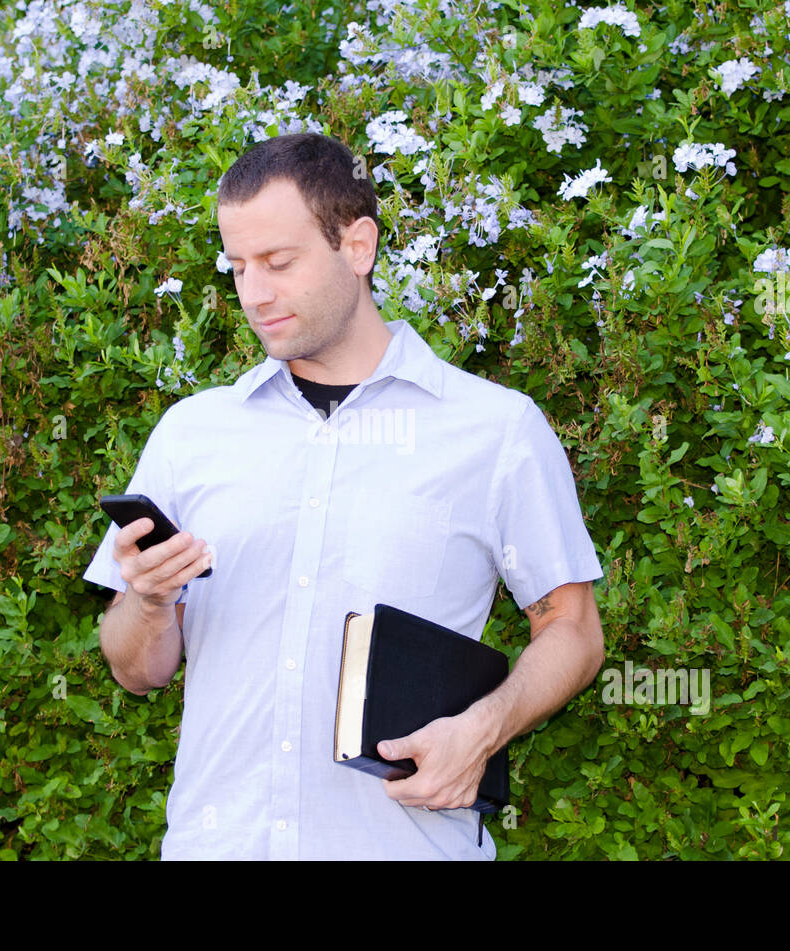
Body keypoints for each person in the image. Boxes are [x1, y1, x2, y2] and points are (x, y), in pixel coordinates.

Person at [82, 132, 605, 860]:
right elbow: (135, 670)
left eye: (278, 262)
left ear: (358, 245)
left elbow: (574, 630)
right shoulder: (192, 434)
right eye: (237, 266)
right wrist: (147, 600)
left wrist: (483, 731)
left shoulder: (496, 431)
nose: (253, 293)